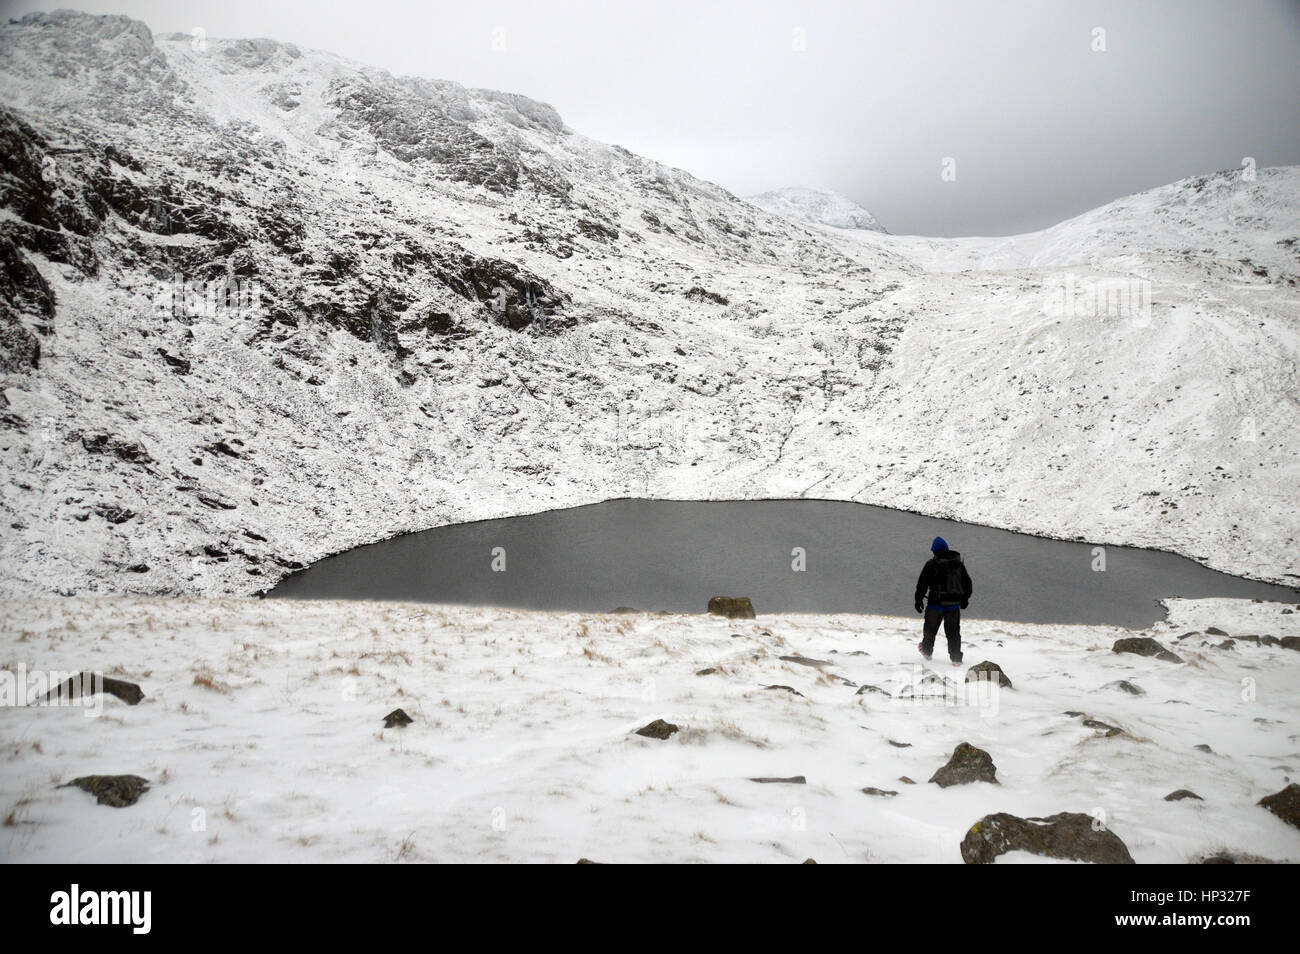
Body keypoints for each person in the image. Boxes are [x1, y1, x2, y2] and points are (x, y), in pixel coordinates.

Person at [913, 536, 973, 664]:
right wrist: (965, 599)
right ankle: (956, 659)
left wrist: (918, 600)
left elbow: (922, 584)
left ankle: (927, 652)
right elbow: (967, 583)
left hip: (936, 604)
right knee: (953, 633)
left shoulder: (931, 564)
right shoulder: (958, 564)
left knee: (930, 630)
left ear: (935, 550)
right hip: (954, 605)